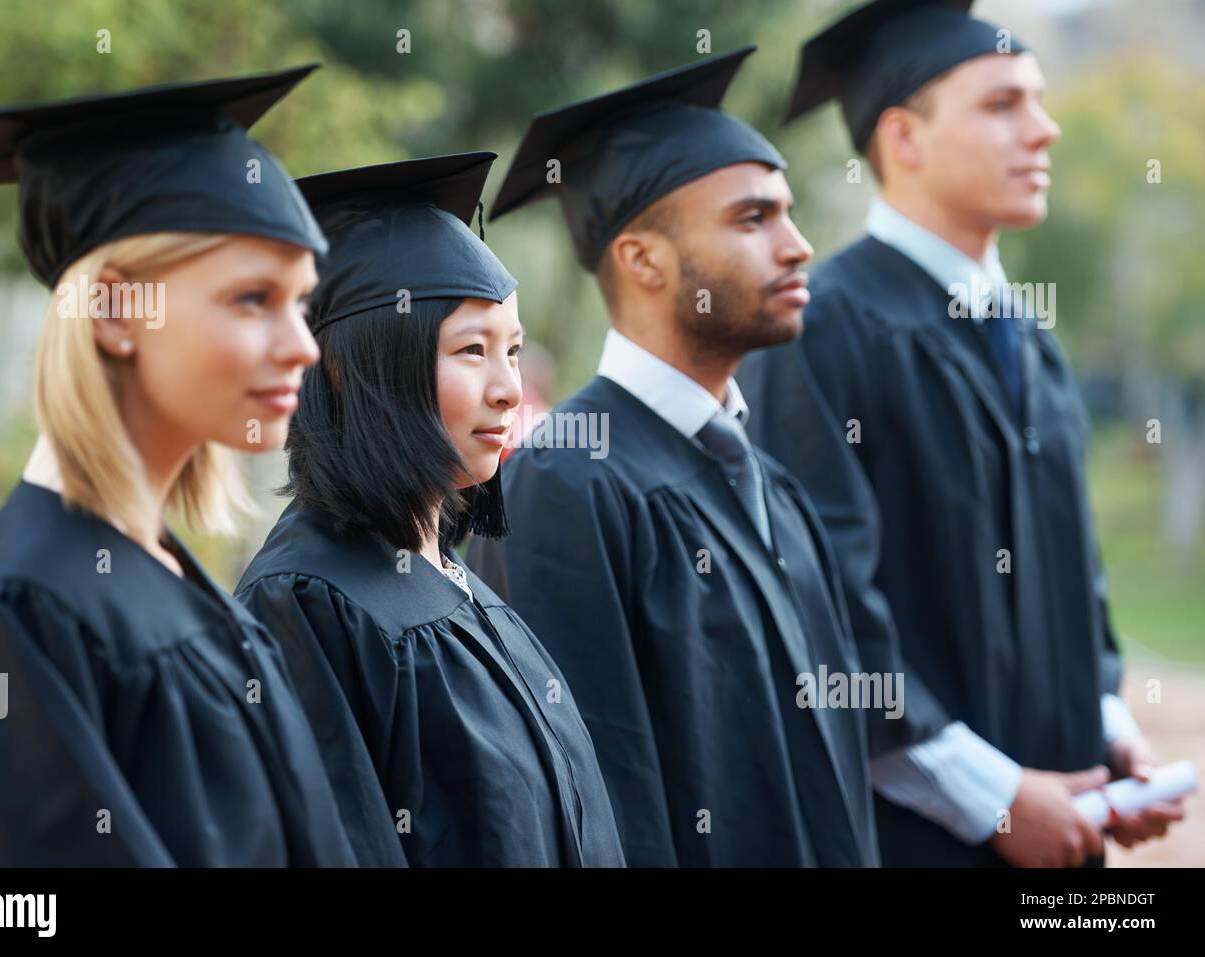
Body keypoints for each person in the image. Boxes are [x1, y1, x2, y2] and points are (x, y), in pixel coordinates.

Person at [0, 66, 403, 866]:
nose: (303, 345)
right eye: (252, 299)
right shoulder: (25, 612)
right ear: (112, 312)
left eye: (302, 303)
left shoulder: (167, 574)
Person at [738, 0, 1186, 866]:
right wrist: (998, 799)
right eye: (1002, 104)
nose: (1045, 130)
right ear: (903, 139)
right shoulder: (820, 332)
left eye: (1040, 99)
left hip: (1069, 822)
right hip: (917, 842)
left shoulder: (1032, 338)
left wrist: (1112, 730)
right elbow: (826, 617)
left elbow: (1075, 585)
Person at [474, 48, 880, 866]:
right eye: (753, 219)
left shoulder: (773, 487)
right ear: (644, 259)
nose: (799, 246)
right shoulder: (566, 484)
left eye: (790, 213)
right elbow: (598, 800)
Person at [234, 152, 625, 867]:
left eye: (514, 349)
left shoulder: (450, 577)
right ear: (358, 366)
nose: (509, 387)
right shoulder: (309, 604)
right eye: (472, 349)